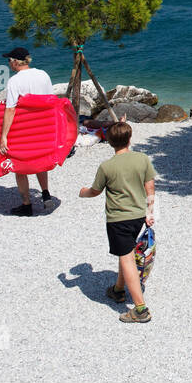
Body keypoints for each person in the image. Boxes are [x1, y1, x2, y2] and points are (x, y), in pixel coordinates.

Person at [78, 121, 156, 324]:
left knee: (126, 258)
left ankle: (140, 309)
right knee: (126, 252)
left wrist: (83, 193)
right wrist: (150, 212)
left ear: (110, 143)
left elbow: (95, 191)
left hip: (118, 219)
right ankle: (118, 290)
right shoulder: (142, 159)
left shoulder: (107, 167)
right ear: (129, 139)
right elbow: (150, 189)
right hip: (138, 216)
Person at [0, 46, 56, 216]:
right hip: (42, 127)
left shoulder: (15, 81)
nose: (9, 64)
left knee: (19, 166)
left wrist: (3, 136)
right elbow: (50, 101)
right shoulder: (43, 75)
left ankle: (26, 205)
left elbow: (10, 109)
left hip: (23, 129)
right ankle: (45, 194)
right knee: (40, 160)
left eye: (9, 60)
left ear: (16, 62)